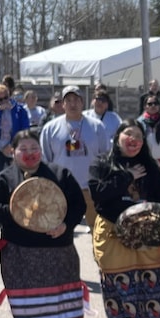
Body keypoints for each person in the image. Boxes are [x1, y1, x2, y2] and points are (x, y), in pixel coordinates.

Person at [0, 129, 94, 318]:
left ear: (41, 151)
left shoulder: (59, 173)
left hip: (58, 249)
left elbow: (78, 204)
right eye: (23, 149)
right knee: (28, 303)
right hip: (20, 252)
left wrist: (66, 225)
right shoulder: (4, 179)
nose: (30, 153)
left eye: (34, 148)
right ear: (13, 152)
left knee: (66, 299)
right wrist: (20, 213)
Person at [89, 121, 160, 318]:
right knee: (115, 283)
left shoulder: (150, 166)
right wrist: (126, 177)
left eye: (138, 135)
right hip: (113, 231)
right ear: (117, 137)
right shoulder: (102, 163)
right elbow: (99, 195)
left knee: (148, 281)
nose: (133, 139)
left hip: (146, 233)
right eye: (128, 134)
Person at [40, 86, 108, 227]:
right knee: (60, 229)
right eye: (68, 100)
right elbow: (45, 159)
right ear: (62, 104)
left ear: (82, 103)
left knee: (98, 231)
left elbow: (106, 157)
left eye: (76, 100)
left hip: (91, 188)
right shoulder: (50, 128)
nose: (72, 104)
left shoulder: (97, 127)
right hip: (62, 189)